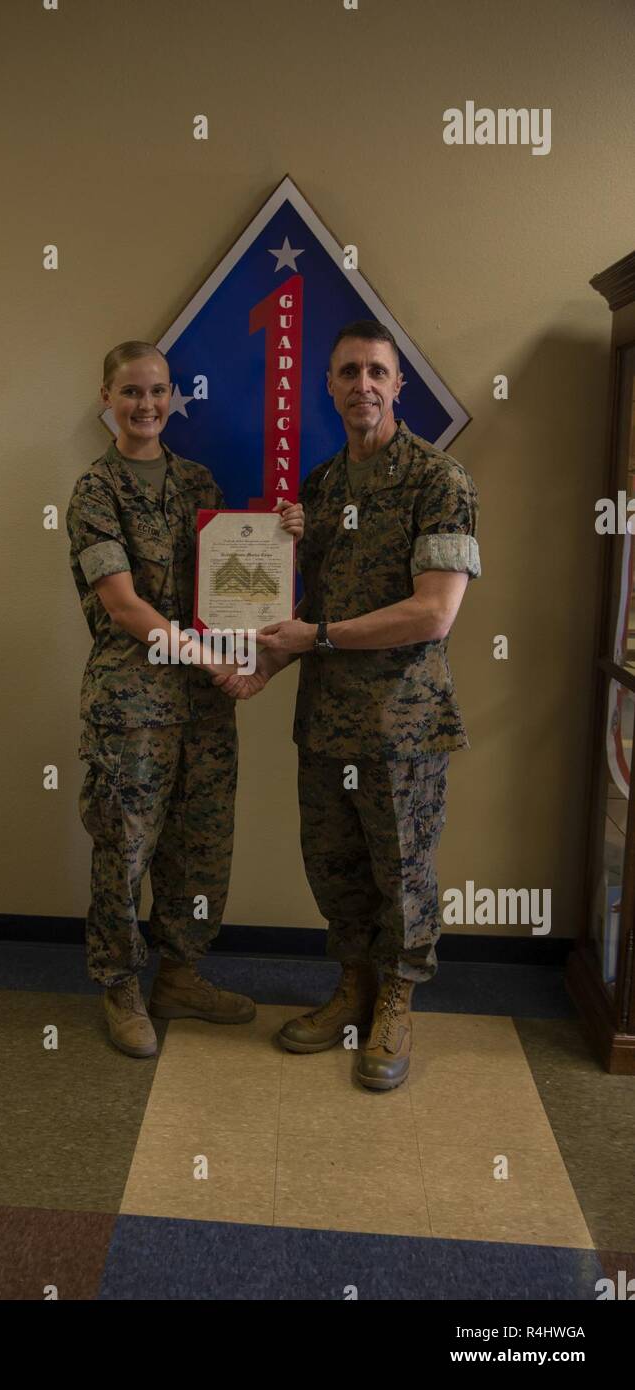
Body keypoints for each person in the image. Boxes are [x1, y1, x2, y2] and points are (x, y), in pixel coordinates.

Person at [215, 320, 480, 1090]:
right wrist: (263, 663)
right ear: (328, 388)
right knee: (333, 868)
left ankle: (397, 999)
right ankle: (353, 987)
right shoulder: (323, 488)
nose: (362, 385)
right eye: (348, 373)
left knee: (401, 870)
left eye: (376, 372)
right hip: (326, 723)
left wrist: (316, 635)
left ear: (399, 386)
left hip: (403, 725)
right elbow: (305, 607)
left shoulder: (440, 481)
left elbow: (434, 613)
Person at [66, 340, 304, 1057]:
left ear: (174, 397)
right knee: (125, 847)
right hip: (131, 703)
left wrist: (287, 534)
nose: (146, 405)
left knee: (201, 846)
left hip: (202, 705)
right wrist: (211, 660)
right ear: (106, 396)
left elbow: (234, 582)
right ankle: (120, 986)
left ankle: (179, 974)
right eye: (132, 392)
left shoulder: (198, 483)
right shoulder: (94, 491)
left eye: (158, 391)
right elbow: (124, 608)